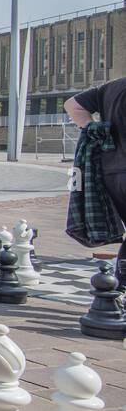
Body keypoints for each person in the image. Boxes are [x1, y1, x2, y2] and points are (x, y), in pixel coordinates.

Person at [66, 76, 126, 286]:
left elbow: (73, 105)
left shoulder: (111, 87)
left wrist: (94, 129)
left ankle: (118, 291)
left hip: (111, 171)